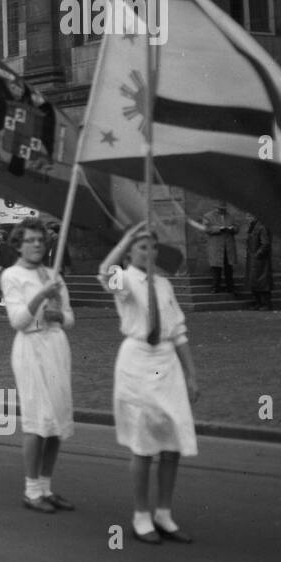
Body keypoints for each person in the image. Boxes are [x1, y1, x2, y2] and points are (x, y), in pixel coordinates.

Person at [98, 222, 200, 544]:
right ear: (129, 250)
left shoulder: (164, 284)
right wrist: (125, 239)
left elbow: (178, 331)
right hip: (138, 361)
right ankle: (141, 514)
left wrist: (191, 373)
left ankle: (164, 514)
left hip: (166, 364)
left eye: (152, 246)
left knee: (172, 442)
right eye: (141, 246)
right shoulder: (126, 280)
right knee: (143, 443)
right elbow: (104, 274)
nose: (149, 252)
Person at [0, 218, 75, 513]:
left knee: (55, 421)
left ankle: (46, 487)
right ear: (18, 243)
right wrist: (42, 296)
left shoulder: (53, 274)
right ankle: (31, 490)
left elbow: (70, 319)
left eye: (40, 241)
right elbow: (17, 321)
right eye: (30, 240)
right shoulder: (12, 275)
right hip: (30, 348)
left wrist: (57, 312)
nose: (36, 245)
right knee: (37, 420)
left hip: (56, 345)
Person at [202, 203, 239, 294]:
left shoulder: (230, 216)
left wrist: (232, 229)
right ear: (215, 208)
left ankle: (230, 287)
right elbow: (206, 228)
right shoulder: (208, 216)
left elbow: (237, 227)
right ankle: (215, 287)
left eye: (224, 209)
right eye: (220, 209)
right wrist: (219, 228)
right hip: (216, 246)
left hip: (228, 246)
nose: (222, 211)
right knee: (216, 267)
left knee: (228, 267)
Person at [244, 214, 273, 311]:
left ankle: (265, 304)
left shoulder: (262, 227)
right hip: (253, 260)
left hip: (260, 260)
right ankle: (258, 303)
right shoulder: (253, 227)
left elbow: (266, 244)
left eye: (249, 216)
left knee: (262, 282)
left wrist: (257, 254)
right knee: (254, 282)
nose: (247, 219)